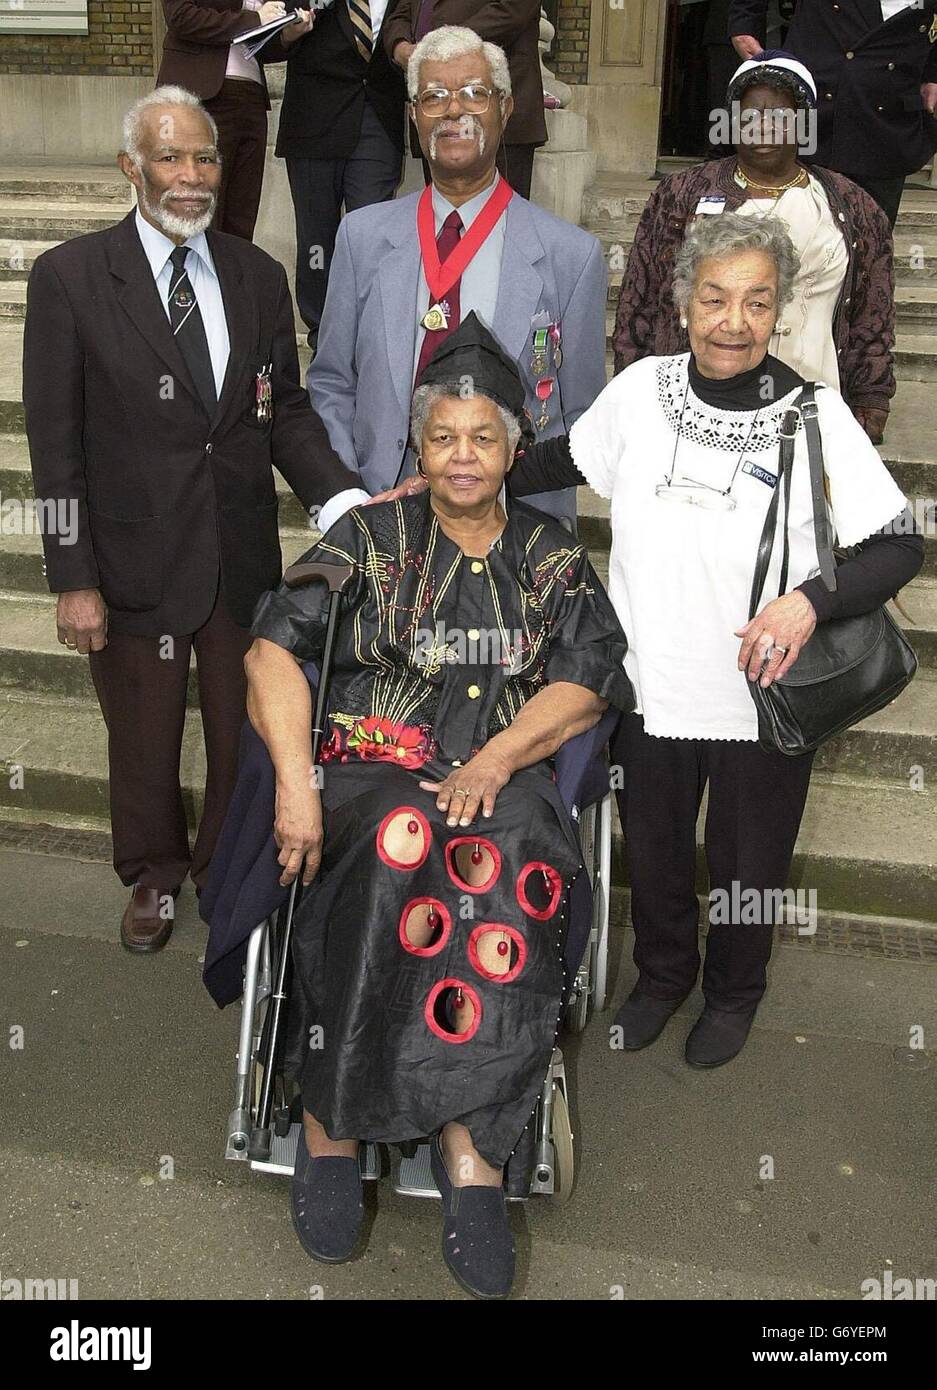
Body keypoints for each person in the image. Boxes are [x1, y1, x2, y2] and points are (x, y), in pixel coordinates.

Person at [383, 215, 924, 1068]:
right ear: (683, 305)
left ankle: (734, 993)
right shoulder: (642, 392)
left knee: (747, 869)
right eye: (714, 298)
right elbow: (559, 461)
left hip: (761, 695)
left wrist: (808, 603)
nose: (732, 321)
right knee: (660, 855)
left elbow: (900, 543)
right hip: (646, 682)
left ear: (778, 311)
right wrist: (457, 474)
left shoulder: (810, 413)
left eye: (755, 301)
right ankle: (663, 978)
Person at [241, 313, 632, 1298]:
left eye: (483, 437)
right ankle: (332, 1128)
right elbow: (271, 651)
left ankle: (473, 1159)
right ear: (418, 445)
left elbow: (589, 676)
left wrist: (498, 757)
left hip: (498, 776)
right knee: (392, 842)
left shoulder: (546, 554)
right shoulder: (364, 536)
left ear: (512, 445)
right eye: (443, 436)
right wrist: (294, 781)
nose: (463, 455)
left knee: (502, 864)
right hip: (372, 768)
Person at [21, 88, 359, 953]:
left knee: (243, 729)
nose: (190, 176)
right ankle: (153, 877)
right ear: (131, 167)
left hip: (237, 561)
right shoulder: (70, 278)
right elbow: (54, 447)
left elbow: (281, 411)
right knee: (141, 735)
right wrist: (74, 579)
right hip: (130, 561)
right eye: (170, 157)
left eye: (204, 157)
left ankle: (224, 869)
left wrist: (340, 497)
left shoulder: (256, 277)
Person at [306, 24, 607, 535]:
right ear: (413, 117)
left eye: (473, 93)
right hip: (384, 515)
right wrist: (354, 498)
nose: (453, 111)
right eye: (433, 97)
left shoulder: (571, 256)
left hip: (515, 528)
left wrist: (489, 484)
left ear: (506, 108)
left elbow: (580, 420)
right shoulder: (362, 237)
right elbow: (332, 380)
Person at [613, 52, 896, 444]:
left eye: (780, 118)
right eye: (748, 117)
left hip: (811, 396)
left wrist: (872, 397)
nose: (762, 128)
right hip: (698, 403)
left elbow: (872, 315)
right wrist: (632, 388)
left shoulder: (854, 207)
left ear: (804, 123)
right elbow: (640, 301)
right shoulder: (681, 194)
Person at [265, 0, 407, 349]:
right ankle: (323, 340)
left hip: (377, 118)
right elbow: (267, 41)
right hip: (314, 121)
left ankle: (366, 341)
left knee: (370, 239)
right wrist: (289, 32)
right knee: (316, 241)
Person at [729, 0, 937, 225]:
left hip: (888, 115)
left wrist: (933, 72)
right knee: (784, 233)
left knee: (871, 239)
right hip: (814, 99)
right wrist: (745, 23)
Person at [157, 1, 309, 240]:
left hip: (251, 97)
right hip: (199, 96)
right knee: (198, 208)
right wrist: (254, 19)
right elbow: (180, 17)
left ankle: (234, 276)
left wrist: (286, 36)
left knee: (242, 213)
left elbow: (256, 45)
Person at [383, 0, 545, 197]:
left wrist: (437, 48)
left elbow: (512, 10)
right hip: (434, 108)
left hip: (492, 115)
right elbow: (401, 13)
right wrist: (399, 46)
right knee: (443, 219)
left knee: (501, 220)